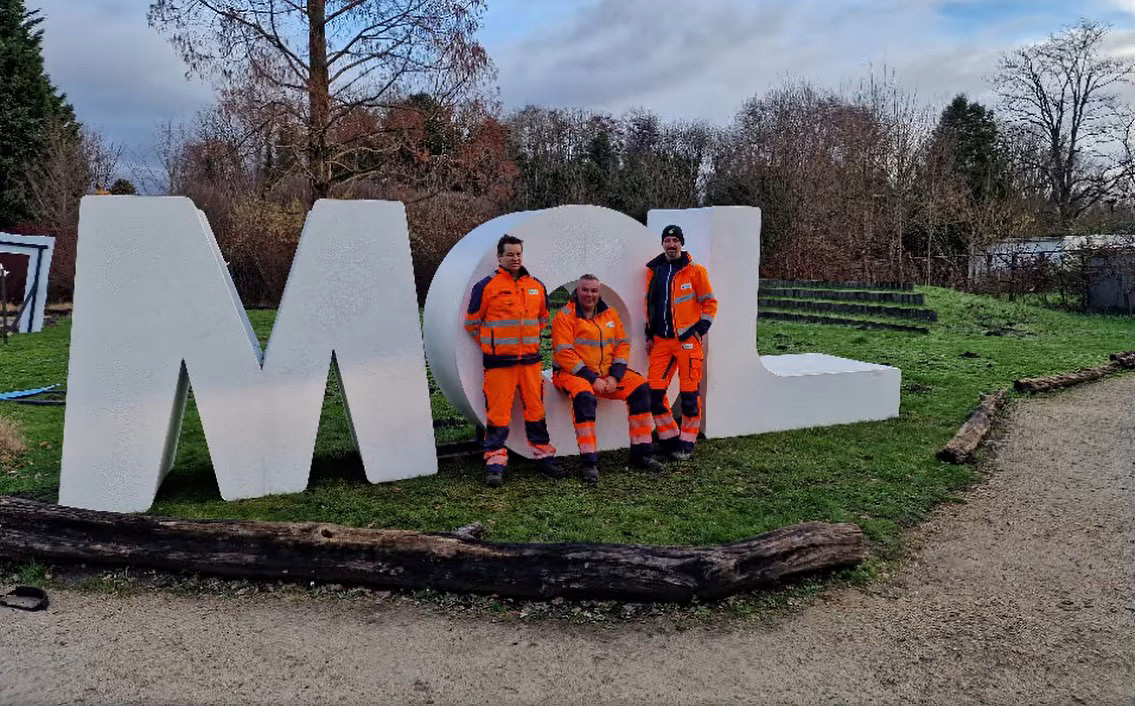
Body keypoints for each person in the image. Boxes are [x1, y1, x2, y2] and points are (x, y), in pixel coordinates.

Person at [465, 234, 564, 487]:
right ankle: (495, 464)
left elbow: (543, 318)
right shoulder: (486, 286)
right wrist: (493, 346)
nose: (515, 258)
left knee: (536, 411)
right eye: (510, 254)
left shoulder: (537, 286)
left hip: (530, 364)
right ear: (499, 257)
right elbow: (472, 323)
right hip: (500, 366)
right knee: (497, 415)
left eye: (518, 253)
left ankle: (544, 458)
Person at [552, 274, 664, 483]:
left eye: (594, 291)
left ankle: (641, 454)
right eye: (585, 290)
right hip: (571, 374)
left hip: (607, 374)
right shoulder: (564, 316)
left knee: (641, 389)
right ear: (577, 291)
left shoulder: (610, 314)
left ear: (599, 292)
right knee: (585, 398)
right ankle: (589, 462)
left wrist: (615, 376)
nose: (590, 295)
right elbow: (564, 354)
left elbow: (622, 345)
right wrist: (593, 379)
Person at [644, 224, 718, 461]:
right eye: (668, 240)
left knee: (688, 396)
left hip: (687, 342)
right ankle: (669, 438)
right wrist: (648, 333)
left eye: (676, 241)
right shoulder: (654, 270)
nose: (672, 245)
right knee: (653, 395)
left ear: (681, 244)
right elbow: (650, 305)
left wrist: (699, 330)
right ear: (663, 244)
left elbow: (710, 303)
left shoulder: (695, 271)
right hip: (661, 342)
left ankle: (687, 441)